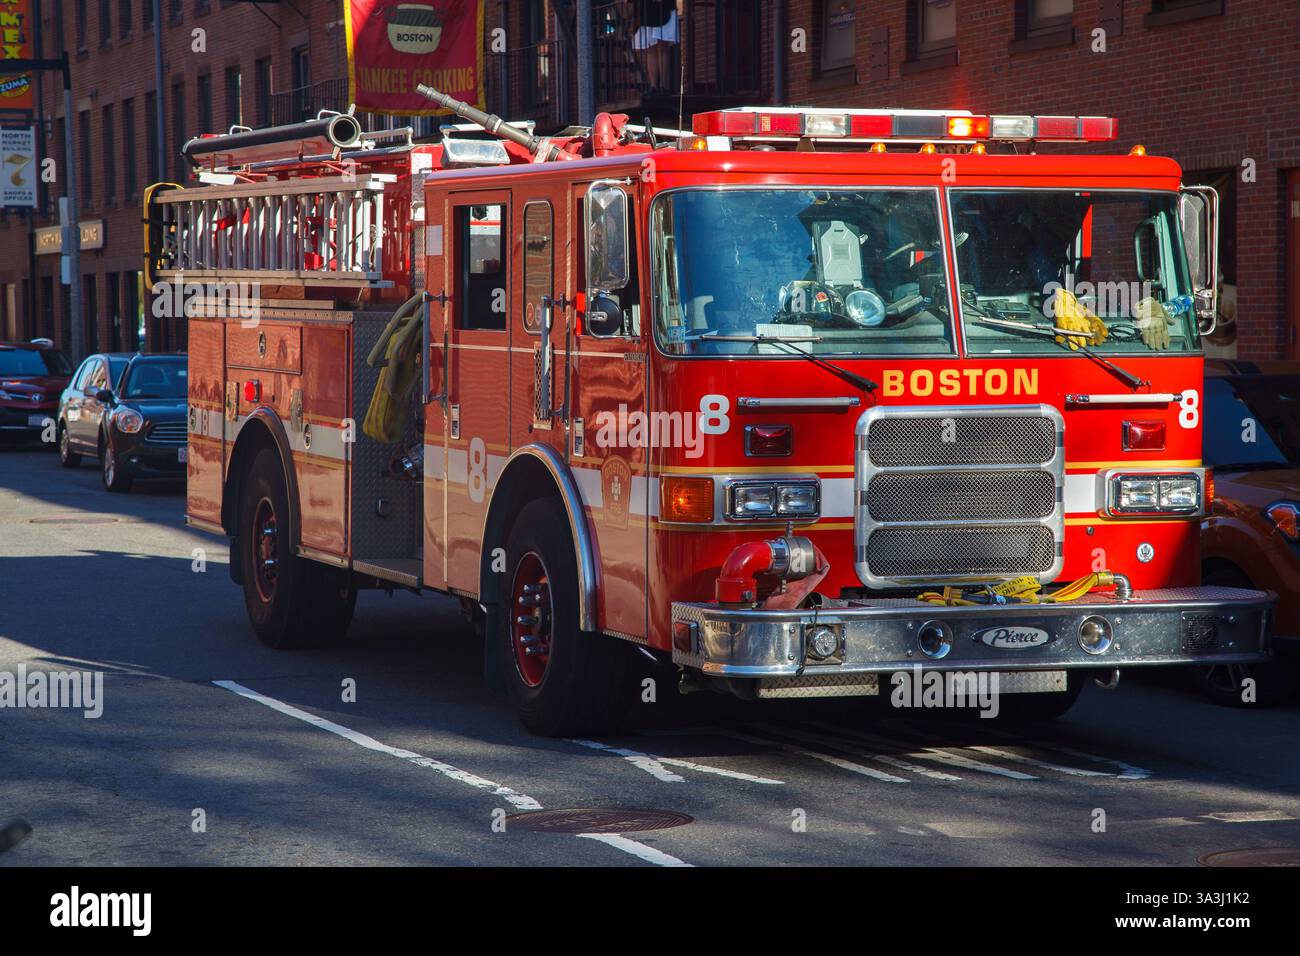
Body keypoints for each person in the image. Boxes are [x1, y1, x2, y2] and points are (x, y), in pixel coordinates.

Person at [632, 0, 684, 93]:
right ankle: (654, 86)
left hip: (663, 8)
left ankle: (664, 86)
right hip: (646, 10)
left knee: (662, 48)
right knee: (651, 48)